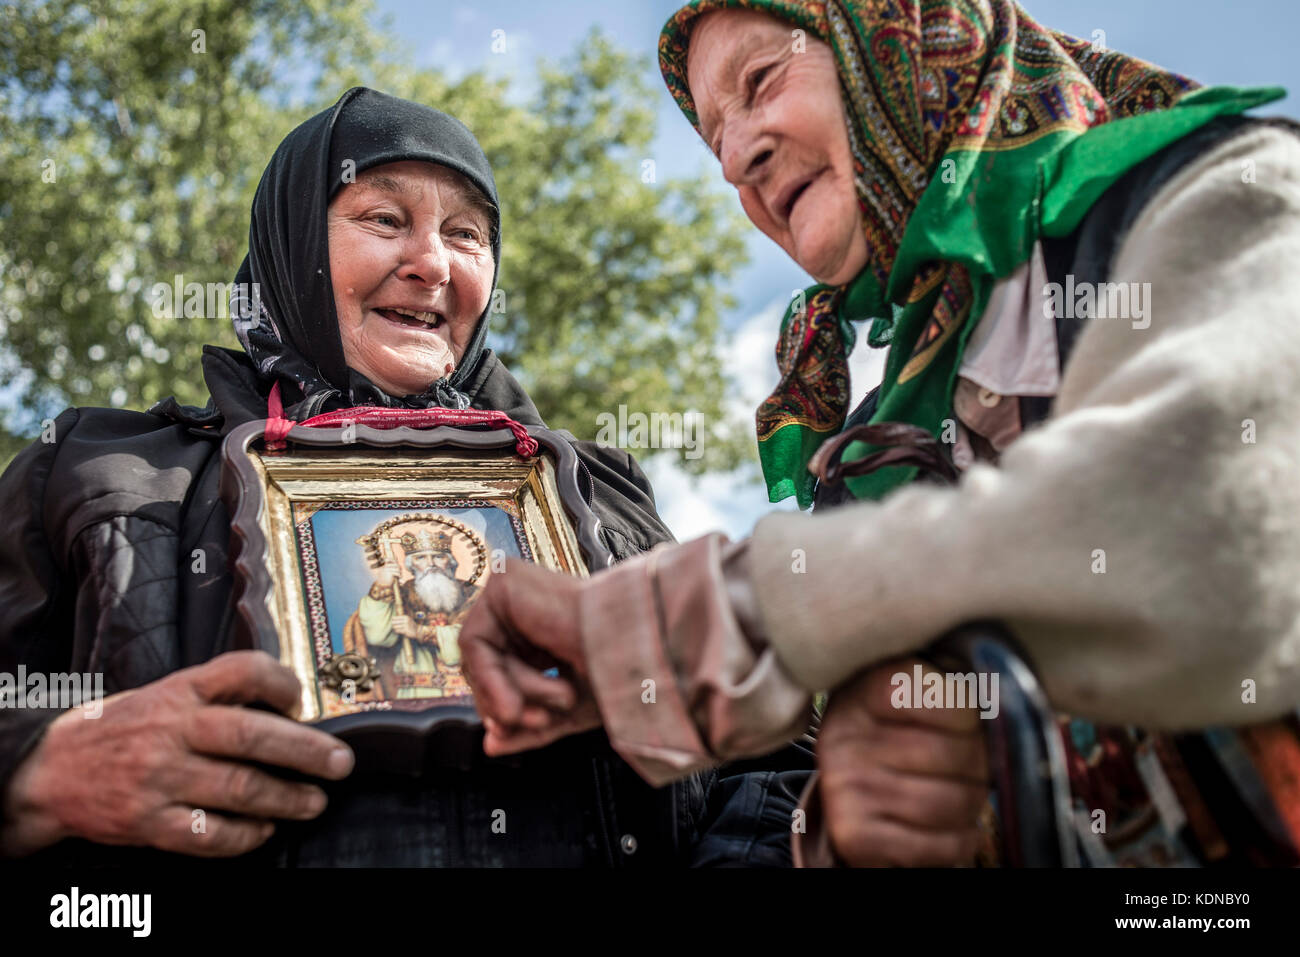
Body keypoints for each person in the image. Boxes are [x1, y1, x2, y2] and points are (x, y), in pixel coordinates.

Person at [459, 0, 1300, 867]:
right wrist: (860, 818)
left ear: (907, 33)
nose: (737, 161)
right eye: (715, 140)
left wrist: (712, 617)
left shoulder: (1226, 197)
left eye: (762, 80)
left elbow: (1212, 532)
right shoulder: (874, 456)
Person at [0, 86, 810, 866]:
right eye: (384, 218)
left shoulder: (596, 496)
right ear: (290, 243)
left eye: (467, 235)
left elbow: (771, 764)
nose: (431, 263)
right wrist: (43, 769)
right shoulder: (98, 473)